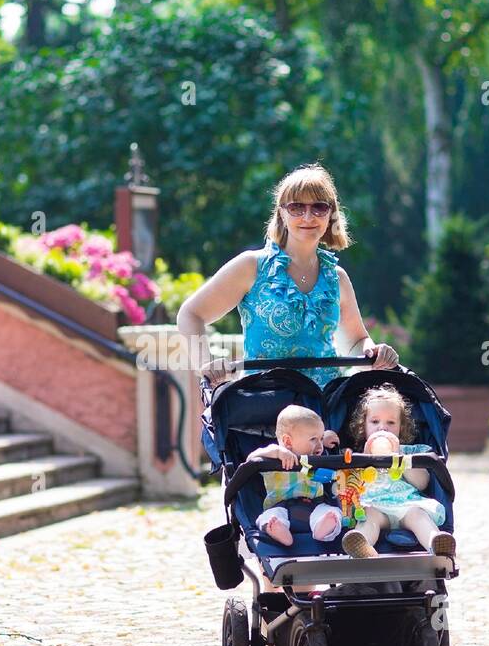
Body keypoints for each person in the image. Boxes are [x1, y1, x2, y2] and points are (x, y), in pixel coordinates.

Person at [176, 162, 400, 388]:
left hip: (326, 405)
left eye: (319, 207)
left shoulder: (337, 278)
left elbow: (354, 342)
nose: (308, 216)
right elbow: (190, 314)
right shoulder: (252, 266)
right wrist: (205, 363)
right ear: (281, 213)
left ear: (331, 214)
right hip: (265, 406)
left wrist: (373, 352)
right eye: (296, 207)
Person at [340, 384, 456, 559]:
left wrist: (400, 458)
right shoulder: (356, 454)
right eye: (375, 421)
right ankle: (363, 546)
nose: (382, 428)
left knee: (419, 516)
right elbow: (348, 483)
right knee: (367, 517)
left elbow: (422, 483)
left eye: (391, 422)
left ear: (401, 426)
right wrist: (363, 458)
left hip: (406, 504)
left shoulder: (412, 451)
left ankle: (436, 543)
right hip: (374, 505)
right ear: (363, 425)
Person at [246, 405, 343, 546]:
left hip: (314, 506)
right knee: (268, 517)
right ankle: (278, 530)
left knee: (333, 512)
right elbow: (251, 459)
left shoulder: (315, 461)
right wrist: (275, 451)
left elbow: (332, 476)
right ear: (288, 442)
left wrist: (324, 439)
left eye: (320, 439)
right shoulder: (275, 458)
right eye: (313, 439)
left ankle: (323, 529)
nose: (320, 446)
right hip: (280, 506)